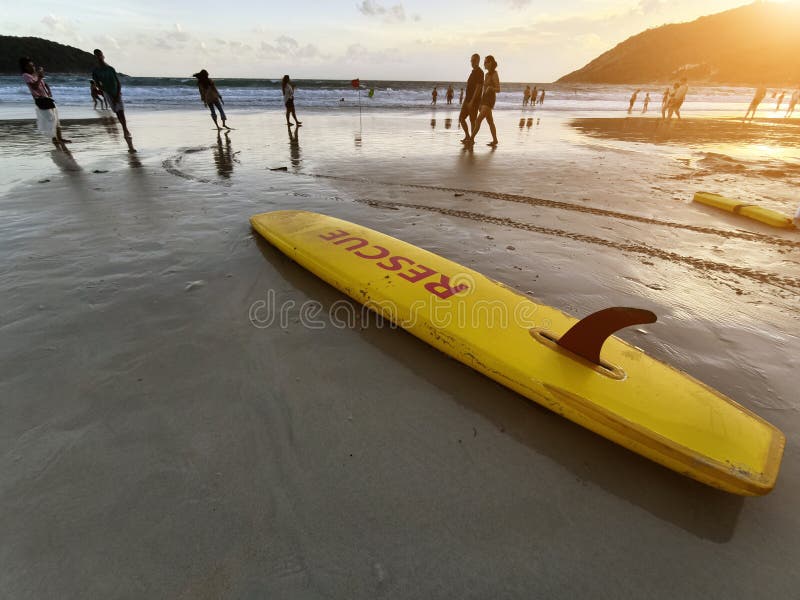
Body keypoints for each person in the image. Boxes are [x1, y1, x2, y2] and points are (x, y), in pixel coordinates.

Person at [19, 57, 70, 148]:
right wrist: (39, 77)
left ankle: (60, 138)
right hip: (40, 100)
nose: (33, 68)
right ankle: (55, 140)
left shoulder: (35, 74)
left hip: (47, 98)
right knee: (51, 119)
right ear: (25, 67)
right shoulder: (26, 75)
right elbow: (34, 87)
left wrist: (49, 91)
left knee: (56, 119)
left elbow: (44, 83)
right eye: (30, 66)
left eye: (33, 65)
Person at [92, 49, 135, 152]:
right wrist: (103, 91)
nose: (99, 57)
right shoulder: (95, 71)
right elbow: (97, 84)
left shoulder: (110, 68)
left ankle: (125, 129)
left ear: (103, 56)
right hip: (108, 93)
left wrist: (117, 94)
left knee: (121, 112)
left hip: (116, 92)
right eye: (97, 56)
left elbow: (118, 82)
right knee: (117, 112)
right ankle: (124, 128)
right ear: (96, 57)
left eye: (100, 55)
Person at [468, 55, 500, 147]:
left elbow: (498, 89)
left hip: (490, 100)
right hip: (484, 100)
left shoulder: (494, 74)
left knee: (478, 120)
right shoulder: (486, 75)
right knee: (490, 121)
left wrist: (491, 88)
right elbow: (483, 90)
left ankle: (471, 139)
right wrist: (480, 103)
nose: (484, 64)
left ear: (490, 63)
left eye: (485, 62)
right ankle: (495, 140)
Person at [458, 53, 484, 144]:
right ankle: (467, 136)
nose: (472, 62)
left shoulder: (480, 72)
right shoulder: (473, 71)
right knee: (461, 118)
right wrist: (466, 100)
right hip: (467, 99)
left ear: (478, 61)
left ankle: (472, 139)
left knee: (472, 120)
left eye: (473, 60)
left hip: (474, 101)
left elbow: (478, 88)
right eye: (471, 60)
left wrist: (472, 101)